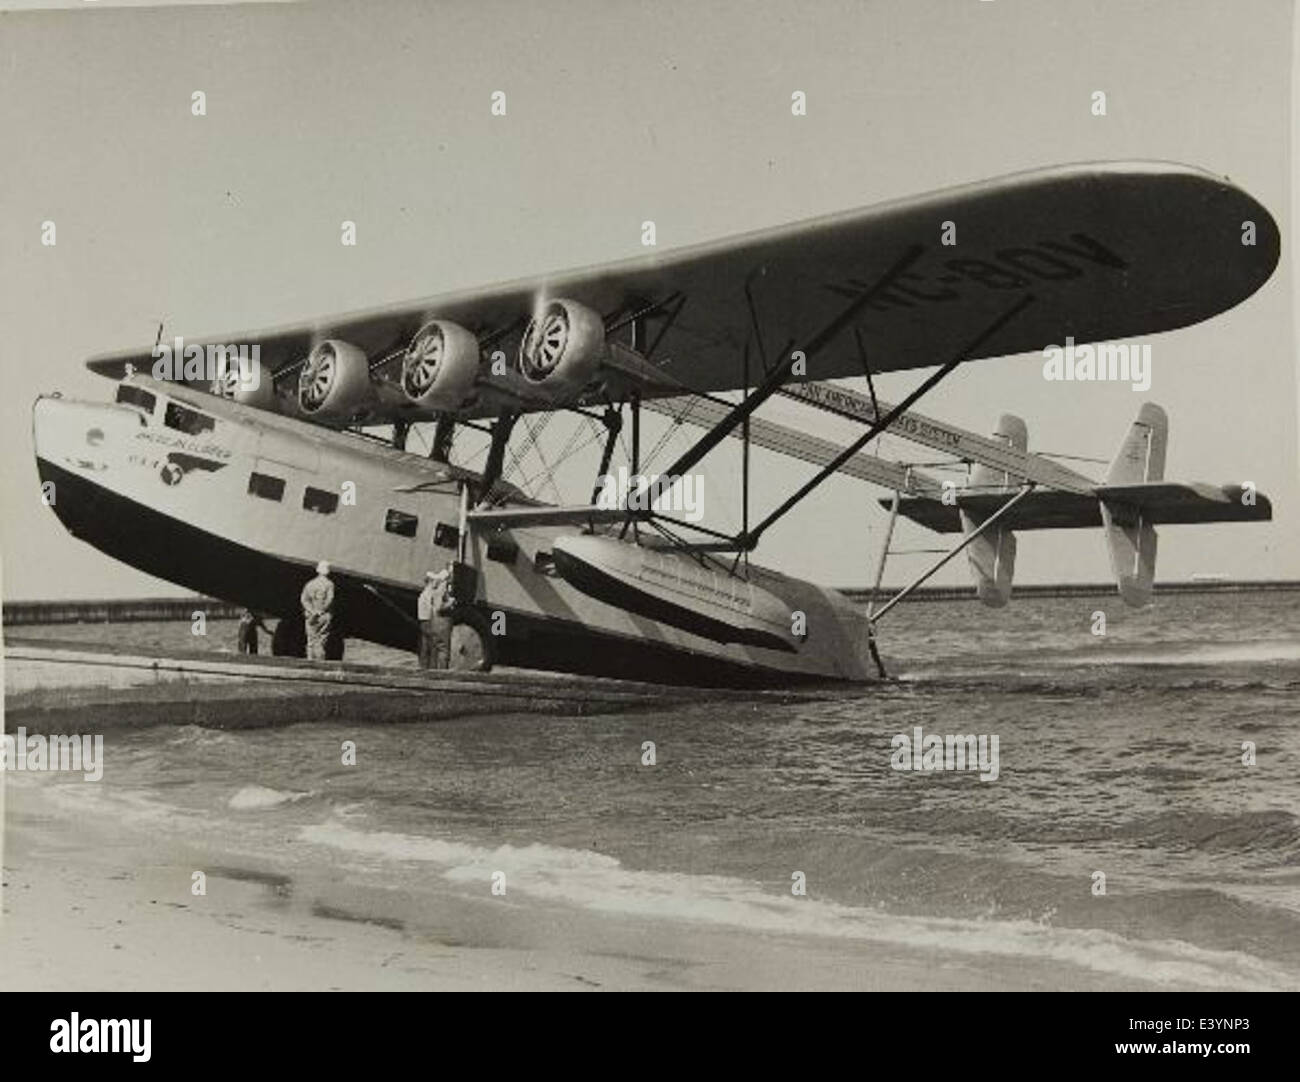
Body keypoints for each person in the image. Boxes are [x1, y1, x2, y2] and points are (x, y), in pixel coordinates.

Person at [416, 567, 454, 670]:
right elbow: (437, 607)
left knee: (426, 646)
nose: (435, 583)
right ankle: (433, 669)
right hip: (429, 620)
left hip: (424, 620)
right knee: (435, 647)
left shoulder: (424, 593)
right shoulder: (434, 591)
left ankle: (424, 667)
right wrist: (450, 603)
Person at [300, 560, 335, 661]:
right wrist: (321, 611)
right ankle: (320, 664)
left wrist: (312, 611)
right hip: (323, 616)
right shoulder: (329, 584)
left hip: (310, 616)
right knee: (321, 640)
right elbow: (330, 599)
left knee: (310, 641)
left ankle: (310, 661)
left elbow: (304, 599)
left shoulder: (310, 584)